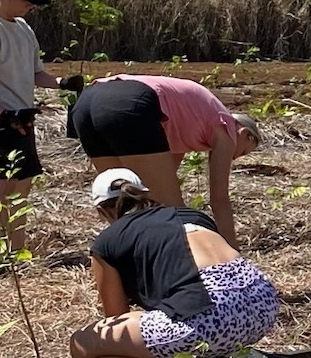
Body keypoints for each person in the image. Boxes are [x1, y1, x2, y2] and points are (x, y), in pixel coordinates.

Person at [69, 168, 282, 358]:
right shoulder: (194, 216)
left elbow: (117, 320)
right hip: (263, 305)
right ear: (144, 194)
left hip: (209, 318)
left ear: (102, 211)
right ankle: (224, 352)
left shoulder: (108, 242)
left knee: (82, 344)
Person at [69, 74, 262, 245]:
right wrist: (232, 251)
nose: (235, 157)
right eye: (243, 152)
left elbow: (158, 179)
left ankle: (128, 266)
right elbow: (219, 199)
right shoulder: (226, 126)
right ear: (245, 134)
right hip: (130, 102)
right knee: (175, 215)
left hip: (88, 101)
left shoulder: (190, 121)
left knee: (121, 203)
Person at [0, 0, 76, 264]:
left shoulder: (21, 27)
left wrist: (62, 83)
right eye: (26, 0)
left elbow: (35, 74)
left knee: (22, 188)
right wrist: (1, 114)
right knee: (1, 190)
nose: (30, 6)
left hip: (22, 118)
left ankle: (17, 256)